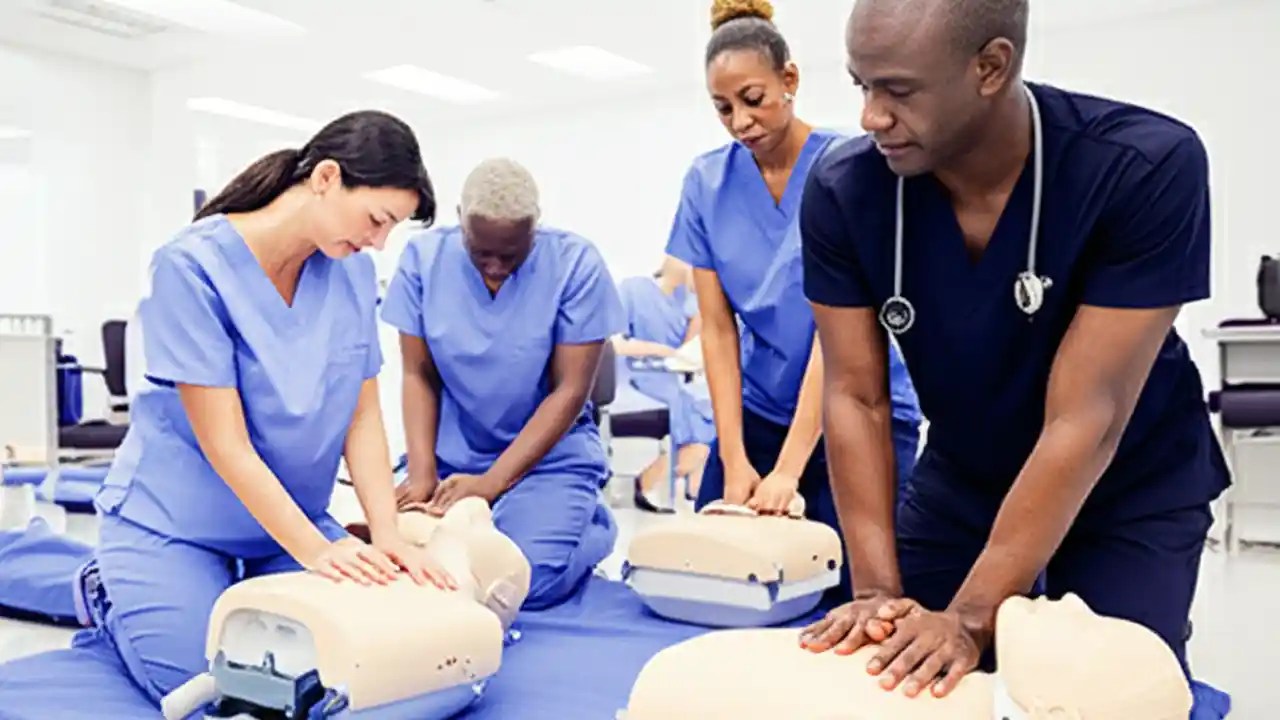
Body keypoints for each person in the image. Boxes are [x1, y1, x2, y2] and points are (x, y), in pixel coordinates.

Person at [798, 0, 1230, 703]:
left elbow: (1089, 416)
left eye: (899, 90)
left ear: (990, 66)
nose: (873, 116)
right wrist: (876, 592)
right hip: (968, 475)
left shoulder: (1142, 166)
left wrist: (971, 619)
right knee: (883, 673)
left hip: (1130, 481)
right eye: (862, 86)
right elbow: (856, 394)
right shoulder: (846, 189)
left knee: (1107, 696)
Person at [83, 110, 453, 705]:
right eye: (377, 220)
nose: (378, 242)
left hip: (289, 528)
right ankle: (109, 589)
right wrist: (320, 553)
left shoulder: (352, 273)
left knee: (354, 666)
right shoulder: (191, 267)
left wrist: (385, 533)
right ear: (327, 177)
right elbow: (225, 444)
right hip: (177, 526)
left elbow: (363, 418)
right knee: (213, 686)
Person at [666, 0, 923, 605]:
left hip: (859, 410)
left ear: (790, 80)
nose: (740, 121)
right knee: (716, 576)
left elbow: (838, 339)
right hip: (759, 410)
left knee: (860, 594)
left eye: (753, 99)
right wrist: (732, 455)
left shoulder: (853, 171)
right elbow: (719, 331)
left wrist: (789, 468)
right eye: (723, 107)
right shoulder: (706, 183)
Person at [384, 157, 624, 611]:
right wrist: (420, 473)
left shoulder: (575, 264)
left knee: (522, 582)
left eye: (511, 255)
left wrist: (493, 482)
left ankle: (594, 526)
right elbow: (417, 374)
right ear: (460, 223)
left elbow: (571, 391)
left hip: (549, 458)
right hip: (454, 454)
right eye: (481, 254)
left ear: (535, 228)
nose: (494, 268)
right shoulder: (423, 260)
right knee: (411, 567)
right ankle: (497, 517)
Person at [612, 255, 715, 512]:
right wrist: (659, 350)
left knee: (715, 408)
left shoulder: (690, 301)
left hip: (678, 376)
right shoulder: (634, 289)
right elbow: (615, 343)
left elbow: (690, 348)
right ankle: (656, 482)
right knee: (686, 405)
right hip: (642, 375)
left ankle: (662, 477)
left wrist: (702, 304)